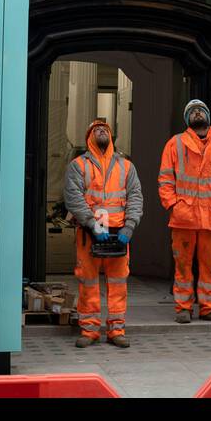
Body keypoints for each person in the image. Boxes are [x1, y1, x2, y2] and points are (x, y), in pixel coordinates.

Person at [62, 118, 143, 348]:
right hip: (90, 234)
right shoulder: (78, 166)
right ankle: (89, 330)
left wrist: (129, 226)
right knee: (88, 282)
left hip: (119, 235)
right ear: (89, 137)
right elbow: (73, 197)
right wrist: (92, 223)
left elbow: (135, 197)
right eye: (96, 129)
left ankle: (117, 330)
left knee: (118, 284)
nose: (100, 131)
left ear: (110, 135)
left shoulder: (126, 166)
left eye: (104, 129)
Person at [158, 99, 211, 324]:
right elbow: (165, 179)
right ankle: (183, 307)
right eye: (192, 112)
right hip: (184, 217)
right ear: (187, 120)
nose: (197, 113)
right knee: (182, 265)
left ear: (208, 117)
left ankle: (209, 308)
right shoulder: (175, 144)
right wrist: (172, 205)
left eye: (201, 110)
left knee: (209, 265)